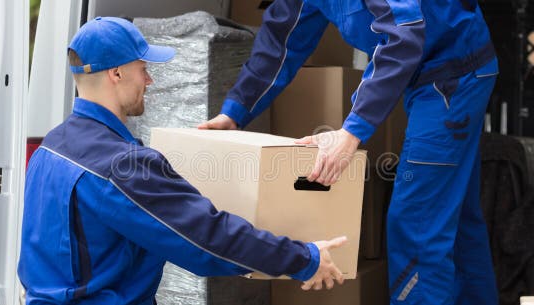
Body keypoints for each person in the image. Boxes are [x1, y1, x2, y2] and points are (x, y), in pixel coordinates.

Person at [18, 16, 347, 305]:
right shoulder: (121, 165)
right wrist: (304, 258)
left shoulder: (51, 147)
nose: (149, 80)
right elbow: (208, 239)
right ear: (116, 73)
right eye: (143, 69)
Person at [199, 1, 500, 304]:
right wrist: (235, 112)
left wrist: (351, 132)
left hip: (454, 75)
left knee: (417, 218)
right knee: (455, 216)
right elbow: (281, 41)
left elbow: (404, 36)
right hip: (429, 73)